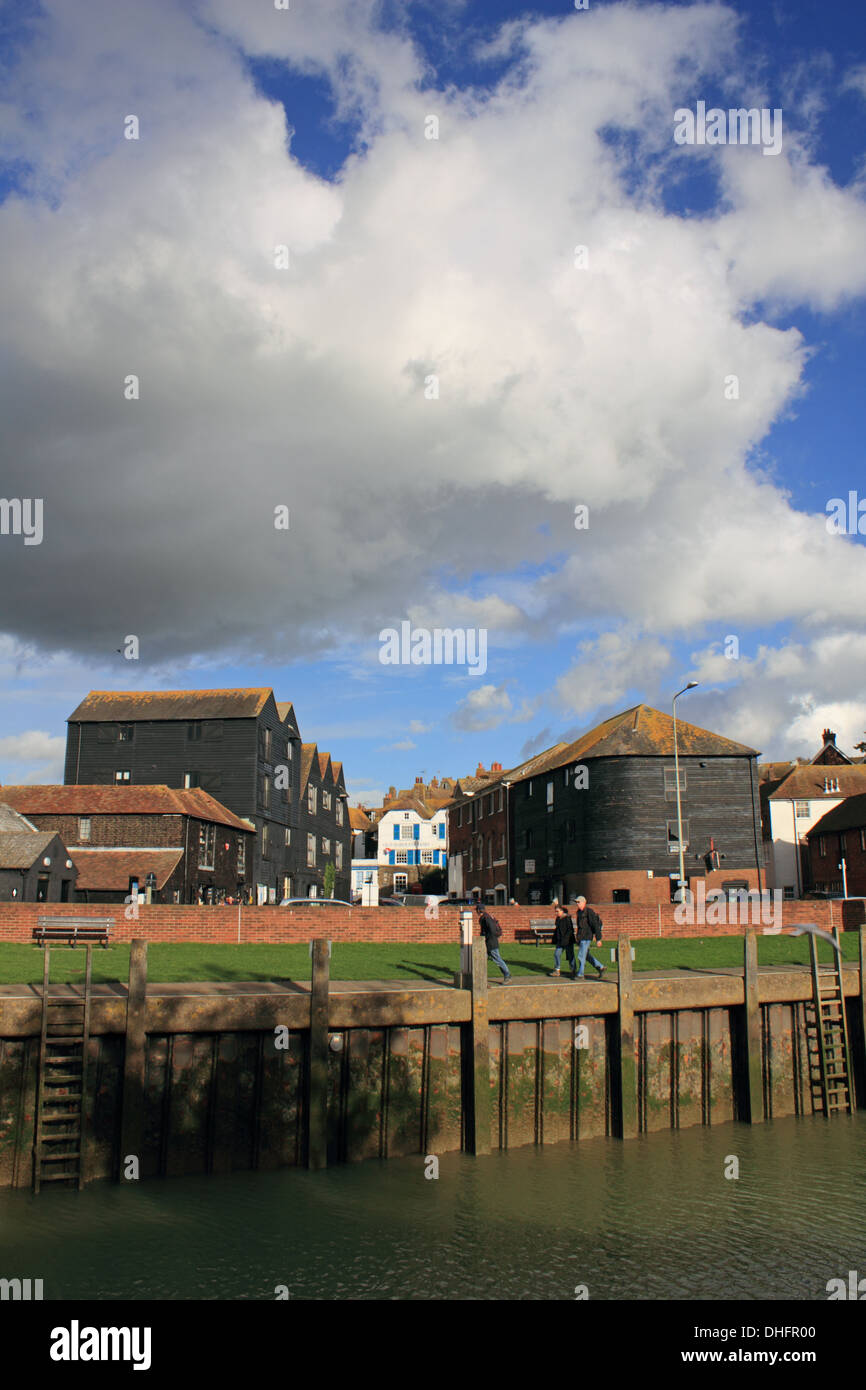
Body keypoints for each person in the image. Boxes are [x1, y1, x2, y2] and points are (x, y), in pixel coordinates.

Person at [475, 902, 512, 983]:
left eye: (476, 910)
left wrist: (486, 938)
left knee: (497, 959)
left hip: (490, 942)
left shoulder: (486, 918)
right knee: (482, 960)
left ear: (479, 910)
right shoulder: (486, 917)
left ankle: (507, 975)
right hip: (489, 942)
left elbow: (492, 930)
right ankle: (480, 978)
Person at [574, 896, 606, 979]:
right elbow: (579, 927)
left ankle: (580, 974)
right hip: (581, 937)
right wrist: (578, 938)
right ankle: (600, 967)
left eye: (579, 902)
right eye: (576, 902)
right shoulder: (579, 913)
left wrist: (598, 939)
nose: (577, 904)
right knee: (586, 956)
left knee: (581, 955)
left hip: (587, 937)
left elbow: (595, 925)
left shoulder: (589, 912)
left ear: (584, 902)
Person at [549, 904, 578, 979]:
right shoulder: (558, 919)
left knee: (570, 955)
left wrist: (566, 939)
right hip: (560, 940)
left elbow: (570, 930)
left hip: (568, 940)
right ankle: (557, 970)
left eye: (557, 911)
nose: (556, 913)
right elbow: (557, 930)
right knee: (557, 954)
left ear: (562, 911)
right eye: (555, 911)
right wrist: (555, 939)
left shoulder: (567, 919)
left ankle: (573, 970)